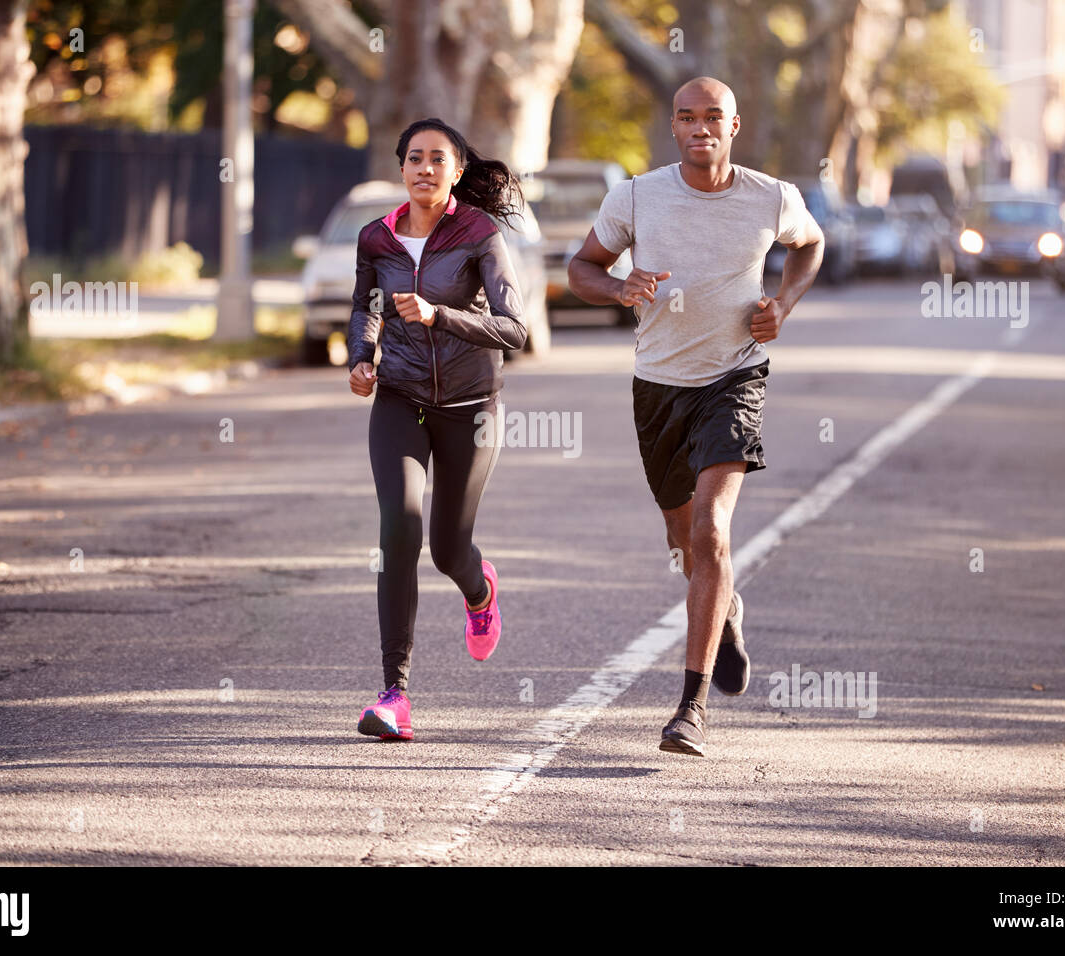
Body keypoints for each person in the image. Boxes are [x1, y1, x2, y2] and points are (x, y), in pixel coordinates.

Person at [567, 77, 825, 756]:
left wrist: (783, 304)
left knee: (711, 531)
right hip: (657, 387)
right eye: (687, 118)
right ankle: (727, 612)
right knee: (685, 543)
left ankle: (691, 707)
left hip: (734, 377)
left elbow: (810, 245)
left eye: (714, 117)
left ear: (734, 127)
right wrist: (618, 285)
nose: (700, 128)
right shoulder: (636, 196)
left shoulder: (771, 197)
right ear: (674, 128)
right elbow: (579, 267)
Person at [347, 117, 528, 741]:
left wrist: (439, 316)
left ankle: (479, 593)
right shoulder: (377, 238)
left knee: (448, 548)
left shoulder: (480, 233)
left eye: (438, 159)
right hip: (399, 399)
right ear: (401, 168)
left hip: (472, 406)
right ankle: (394, 693)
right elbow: (364, 307)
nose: (425, 168)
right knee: (399, 526)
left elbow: (514, 329)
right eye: (414, 158)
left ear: (456, 171)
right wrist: (361, 358)